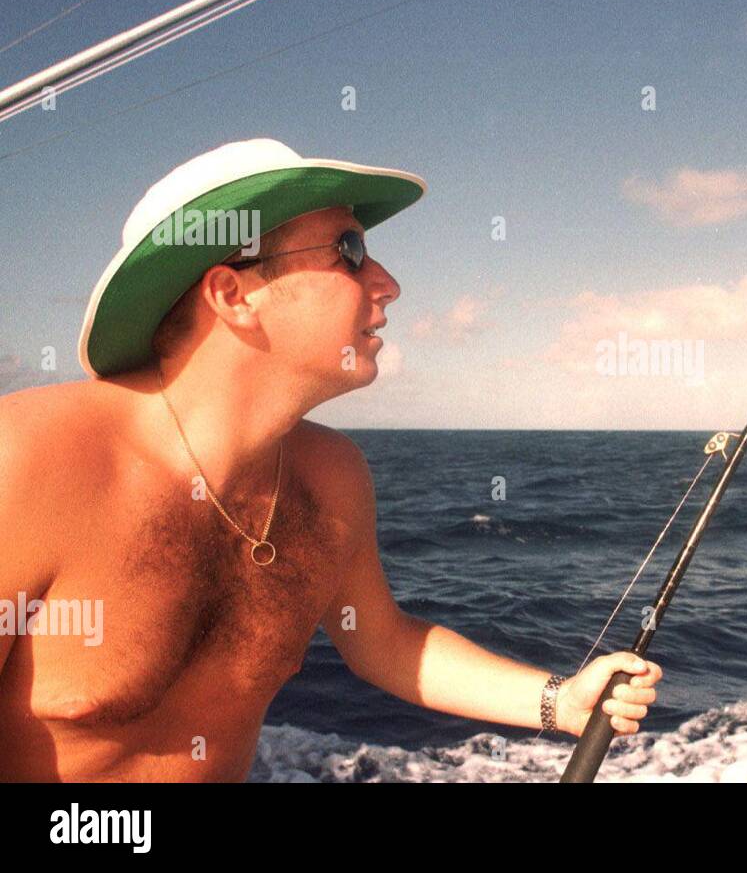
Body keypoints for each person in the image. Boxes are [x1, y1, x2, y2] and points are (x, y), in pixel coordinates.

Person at [0, 138, 661, 781]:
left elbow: (383, 643)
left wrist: (561, 701)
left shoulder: (331, 476)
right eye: (349, 252)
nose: (389, 284)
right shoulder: (25, 460)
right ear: (234, 295)